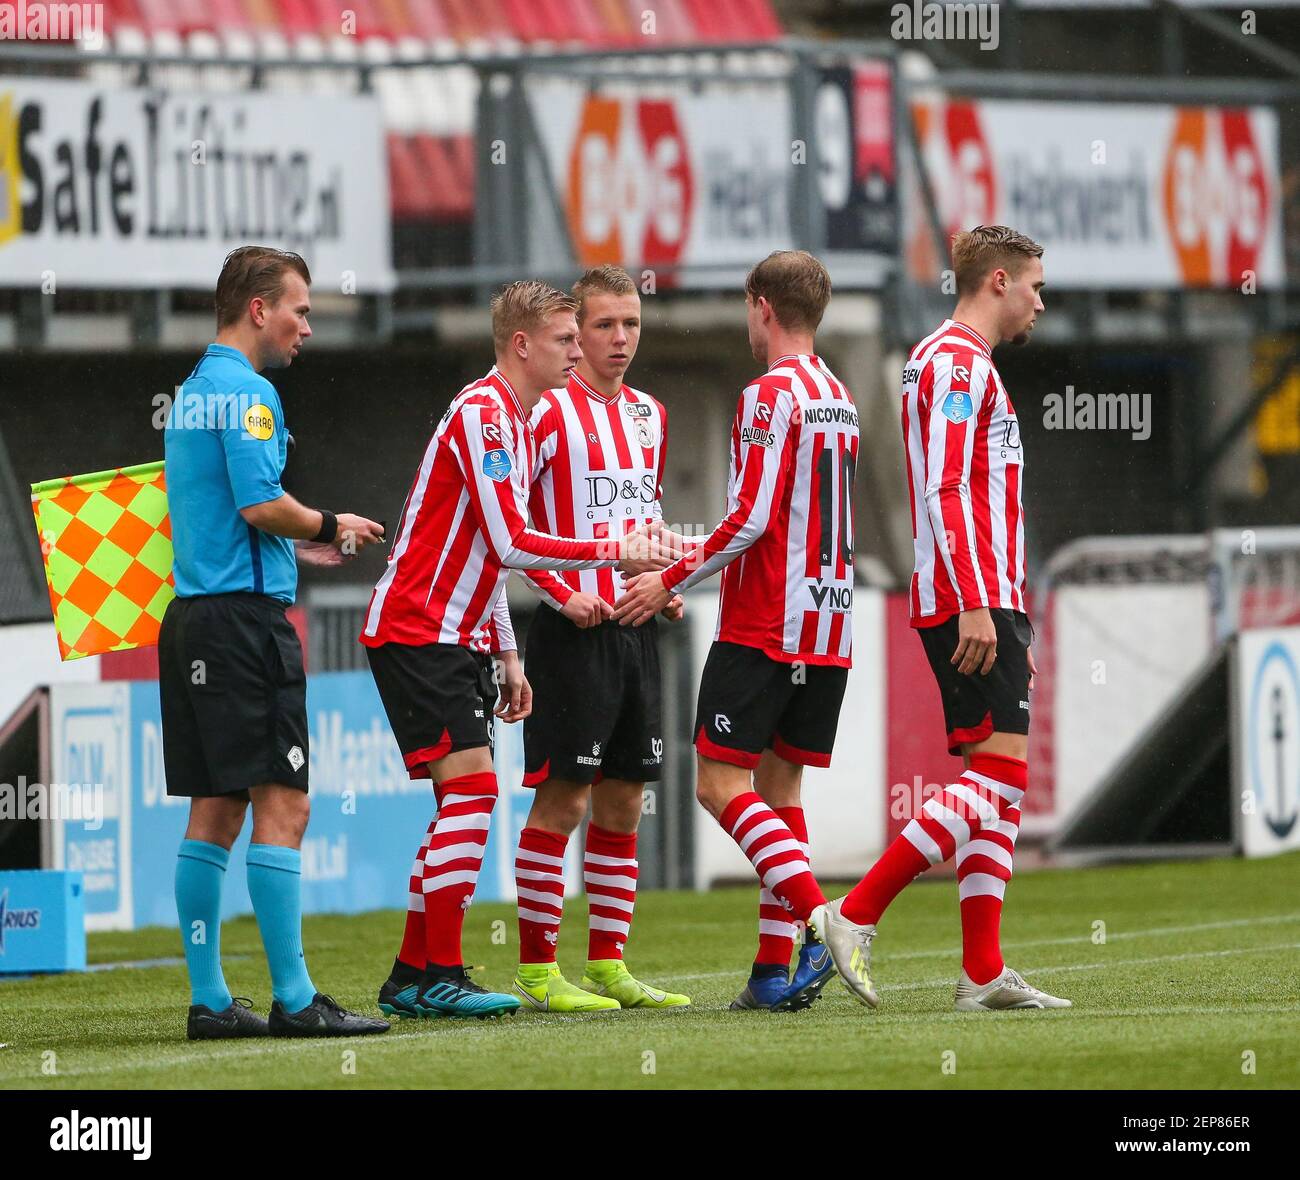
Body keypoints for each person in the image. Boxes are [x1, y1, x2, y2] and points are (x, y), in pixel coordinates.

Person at [361, 280, 679, 1020]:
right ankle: (442, 972)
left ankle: (412, 976)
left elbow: (488, 555)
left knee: (461, 804)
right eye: (571, 338)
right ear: (523, 345)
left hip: (458, 632)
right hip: (420, 626)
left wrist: (505, 655)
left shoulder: (515, 413)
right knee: (475, 796)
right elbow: (510, 541)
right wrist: (611, 552)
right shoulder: (489, 415)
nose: (583, 351)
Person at [811, 225, 1071, 1012]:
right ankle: (852, 913)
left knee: (996, 782)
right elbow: (950, 490)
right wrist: (976, 601)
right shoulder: (957, 365)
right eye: (1034, 286)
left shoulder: (939, 358)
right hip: (970, 596)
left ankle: (983, 972)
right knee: (1002, 775)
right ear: (997, 281)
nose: (1040, 302)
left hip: (982, 595)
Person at [616, 250, 858, 1011]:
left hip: (765, 624)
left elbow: (751, 520)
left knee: (721, 785)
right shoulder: (839, 396)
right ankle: (769, 973)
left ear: (761, 306)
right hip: (830, 627)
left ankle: (824, 921)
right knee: (781, 793)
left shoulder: (769, 395)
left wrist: (667, 576)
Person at [163, 245, 389, 1039]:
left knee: (216, 809)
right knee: (284, 804)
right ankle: (295, 1001)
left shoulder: (192, 392)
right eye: (300, 308)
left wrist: (301, 544)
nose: (308, 326)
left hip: (193, 620)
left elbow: (230, 510)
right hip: (244, 629)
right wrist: (331, 524)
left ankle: (211, 1001)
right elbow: (262, 505)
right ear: (258, 309)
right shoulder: (250, 394)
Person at [510, 265, 690, 1013]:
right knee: (565, 803)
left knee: (623, 802)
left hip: (635, 628)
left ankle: (609, 964)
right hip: (569, 630)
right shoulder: (546, 414)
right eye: (605, 326)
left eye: (632, 325)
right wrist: (564, 592)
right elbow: (509, 529)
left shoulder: (651, 414)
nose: (621, 339)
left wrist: (666, 584)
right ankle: (536, 970)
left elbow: (644, 518)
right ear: (574, 334)